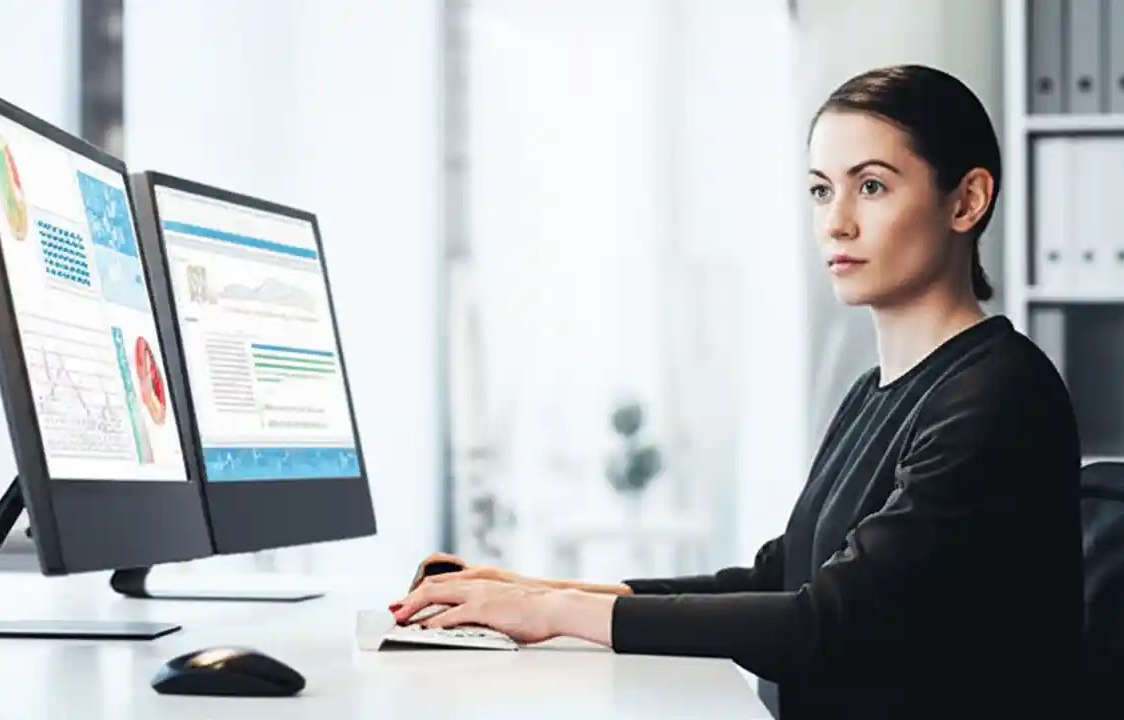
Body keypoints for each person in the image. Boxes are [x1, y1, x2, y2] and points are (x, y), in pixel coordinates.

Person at [391, 64, 1084, 719]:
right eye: (820, 189)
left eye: (871, 186)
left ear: (966, 200)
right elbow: (779, 579)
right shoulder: (878, 391)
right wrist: (535, 592)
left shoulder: (999, 396)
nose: (835, 222)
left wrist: (554, 615)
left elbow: (825, 622)